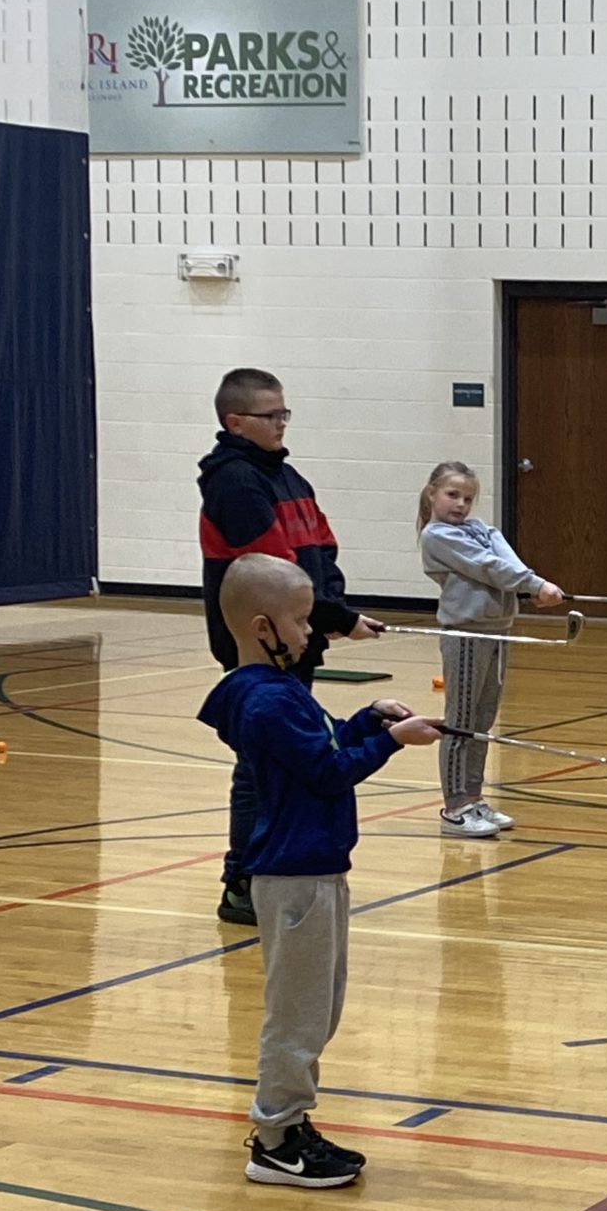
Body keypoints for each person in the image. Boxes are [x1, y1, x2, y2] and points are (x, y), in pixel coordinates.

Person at [198, 558, 438, 1188]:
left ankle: (291, 1123)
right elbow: (331, 771)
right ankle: (275, 1138)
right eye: (300, 621)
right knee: (298, 1015)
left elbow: (326, 742)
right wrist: (393, 741)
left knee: (319, 1008)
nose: (311, 633)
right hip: (296, 876)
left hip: (317, 870)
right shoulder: (267, 702)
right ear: (262, 626)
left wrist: (369, 719)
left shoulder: (276, 693)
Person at [199, 370, 383, 927]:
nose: (282, 424)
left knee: (281, 762)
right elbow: (271, 571)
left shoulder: (288, 477)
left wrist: (332, 610)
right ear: (236, 422)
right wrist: (335, 620)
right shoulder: (235, 482)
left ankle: (261, 873)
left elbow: (321, 549)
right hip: (260, 647)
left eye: (284, 414)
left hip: (295, 639)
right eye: (270, 415)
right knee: (260, 771)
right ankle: (243, 881)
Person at [418, 460, 565, 839]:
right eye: (452, 495)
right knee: (460, 722)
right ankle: (454, 807)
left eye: (468, 498)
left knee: (481, 722)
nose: (460, 504)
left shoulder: (482, 530)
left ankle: (473, 796)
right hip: (467, 634)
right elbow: (487, 567)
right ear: (432, 493)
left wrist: (534, 585)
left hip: (498, 631)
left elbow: (505, 559)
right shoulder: (438, 536)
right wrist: (533, 584)